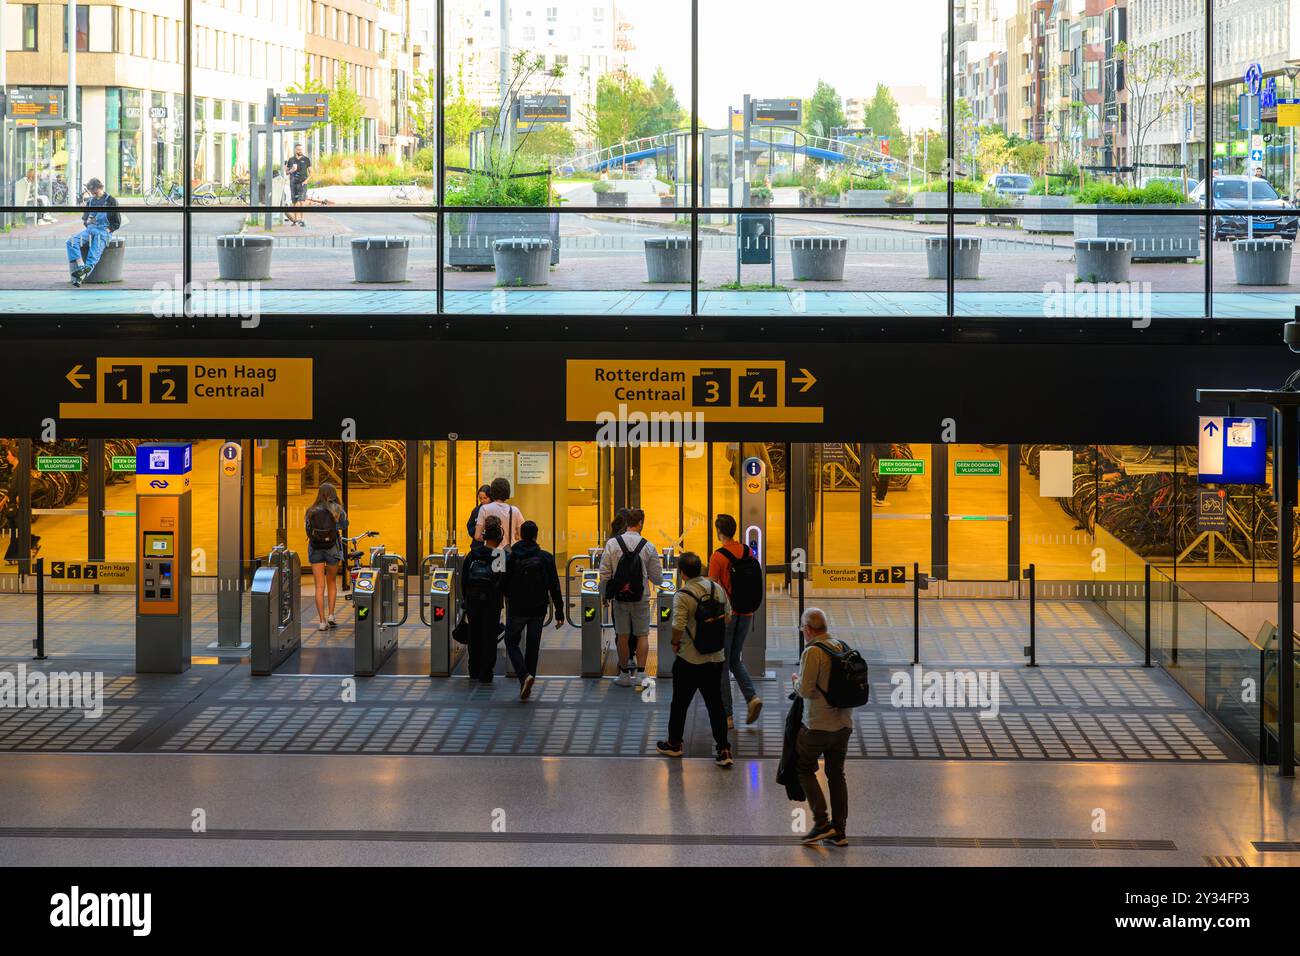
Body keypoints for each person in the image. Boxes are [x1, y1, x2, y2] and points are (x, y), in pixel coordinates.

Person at [655, 551, 733, 768]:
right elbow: (728, 616)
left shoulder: (683, 595)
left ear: (682, 573)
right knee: (715, 704)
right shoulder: (716, 588)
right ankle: (724, 749)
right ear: (701, 569)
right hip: (715, 657)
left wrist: (674, 643)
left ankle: (674, 744)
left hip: (689, 659)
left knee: (679, 703)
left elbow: (678, 625)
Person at [793, 607, 853, 847]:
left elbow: (806, 690)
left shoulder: (813, 652)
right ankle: (839, 830)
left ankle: (821, 822)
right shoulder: (842, 647)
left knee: (804, 767)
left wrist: (796, 681)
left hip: (818, 725)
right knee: (836, 774)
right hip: (844, 725)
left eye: (802, 629)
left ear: (808, 629)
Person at [708, 513, 762, 728]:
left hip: (727, 616)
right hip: (747, 613)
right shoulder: (748, 551)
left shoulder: (718, 556)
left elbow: (713, 587)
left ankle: (727, 715)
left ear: (719, 532)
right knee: (735, 660)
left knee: (723, 663)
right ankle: (752, 698)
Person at [599, 506, 662, 688]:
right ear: (641, 523)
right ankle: (642, 674)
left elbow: (604, 573)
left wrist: (605, 594)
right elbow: (656, 577)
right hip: (641, 598)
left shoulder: (612, 544)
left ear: (626, 522)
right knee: (642, 635)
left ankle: (625, 675)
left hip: (620, 597)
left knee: (623, 635)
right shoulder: (648, 546)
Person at [503, 520, 564, 701]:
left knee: (511, 640)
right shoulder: (545, 557)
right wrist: (560, 613)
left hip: (517, 607)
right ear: (536, 535)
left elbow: (504, 582)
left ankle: (524, 676)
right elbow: (555, 587)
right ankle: (528, 679)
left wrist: (509, 596)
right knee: (533, 646)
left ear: (520, 535)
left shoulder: (512, 556)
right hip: (538, 608)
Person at [461, 517, 507, 683]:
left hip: (473, 602)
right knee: (489, 636)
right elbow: (501, 582)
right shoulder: (499, 555)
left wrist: (466, 599)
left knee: (474, 634)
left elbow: (464, 579)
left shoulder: (473, 554)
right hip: (491, 603)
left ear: (485, 537)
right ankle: (486, 672)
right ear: (500, 538)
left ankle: (473, 669)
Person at [304, 482, 348, 630]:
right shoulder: (337, 509)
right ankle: (331, 615)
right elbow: (345, 525)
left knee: (319, 586)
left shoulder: (311, 510)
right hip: (332, 549)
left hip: (315, 549)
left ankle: (322, 622)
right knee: (332, 582)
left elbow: (308, 530)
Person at [65, 178, 121, 287]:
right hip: (90, 229)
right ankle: (82, 267)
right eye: (92, 193)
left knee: (93, 254)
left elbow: (117, 222)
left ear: (100, 188)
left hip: (103, 231)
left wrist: (108, 230)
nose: (93, 195)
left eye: (95, 192)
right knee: (71, 242)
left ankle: (80, 278)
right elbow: (85, 219)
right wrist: (88, 222)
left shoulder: (111, 201)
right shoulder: (90, 201)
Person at [1, 444, 39, 564]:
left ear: (14, 455)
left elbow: (22, 486)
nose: (7, 457)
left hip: (18, 505)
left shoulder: (21, 470)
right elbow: (13, 488)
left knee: (17, 530)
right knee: (16, 529)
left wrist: (19, 496)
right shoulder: (17, 469)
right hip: (13, 503)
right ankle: (24, 548)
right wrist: (3, 501)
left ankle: (15, 555)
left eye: (8, 454)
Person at [474, 476, 525, 548]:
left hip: (491, 553)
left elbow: (477, 536)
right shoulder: (514, 510)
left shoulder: (484, 509)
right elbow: (523, 536)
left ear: (492, 492)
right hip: (510, 553)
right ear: (507, 492)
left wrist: (489, 539)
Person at [285, 142, 312, 226]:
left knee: (302, 202)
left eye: (301, 149)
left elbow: (311, 172)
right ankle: (296, 220)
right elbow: (286, 172)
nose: (300, 151)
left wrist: (307, 180)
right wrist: (291, 170)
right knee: (295, 202)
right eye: (298, 149)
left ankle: (301, 219)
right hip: (293, 183)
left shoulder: (306, 159)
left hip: (303, 183)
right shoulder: (291, 160)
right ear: (295, 150)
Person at [871, 442, 893, 507]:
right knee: (885, 477)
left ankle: (878, 495)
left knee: (883, 476)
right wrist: (896, 450)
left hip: (878, 452)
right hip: (884, 452)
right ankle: (880, 499)